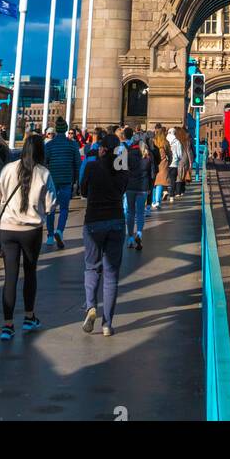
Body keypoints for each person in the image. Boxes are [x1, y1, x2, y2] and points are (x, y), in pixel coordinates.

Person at [0, 132, 56, 341]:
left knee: (10, 276)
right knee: (30, 273)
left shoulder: (8, 169)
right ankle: (29, 318)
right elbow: (52, 204)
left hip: (7, 229)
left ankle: (7, 326)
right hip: (31, 231)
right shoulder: (44, 173)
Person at [80, 132, 129, 336]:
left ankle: (91, 306)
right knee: (111, 275)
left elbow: (82, 191)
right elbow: (122, 189)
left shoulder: (92, 166)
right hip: (116, 221)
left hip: (93, 222)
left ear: (102, 149)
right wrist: (121, 158)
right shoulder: (121, 169)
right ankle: (107, 324)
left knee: (92, 267)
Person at [44, 116, 81, 249]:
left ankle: (49, 236)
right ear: (65, 130)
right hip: (66, 180)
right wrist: (77, 180)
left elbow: (44, 163)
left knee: (51, 209)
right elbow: (78, 164)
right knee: (64, 208)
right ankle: (59, 230)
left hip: (52, 181)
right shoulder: (72, 145)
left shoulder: (49, 145)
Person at [124, 135, 153, 249]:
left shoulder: (128, 155)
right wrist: (150, 187)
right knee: (140, 213)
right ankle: (139, 233)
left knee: (130, 212)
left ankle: (130, 238)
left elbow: (124, 171)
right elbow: (152, 174)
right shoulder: (147, 157)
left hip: (130, 187)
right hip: (143, 188)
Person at [152, 129, 171, 208]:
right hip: (163, 164)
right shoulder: (166, 143)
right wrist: (168, 162)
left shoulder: (153, 142)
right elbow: (170, 155)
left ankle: (153, 201)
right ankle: (157, 201)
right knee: (160, 183)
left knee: (153, 183)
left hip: (154, 164)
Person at [166, 127, 183, 203]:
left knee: (165, 178)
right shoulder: (177, 142)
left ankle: (165, 191)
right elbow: (180, 154)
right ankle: (171, 196)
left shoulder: (165, 140)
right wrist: (178, 159)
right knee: (173, 180)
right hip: (174, 163)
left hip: (166, 162)